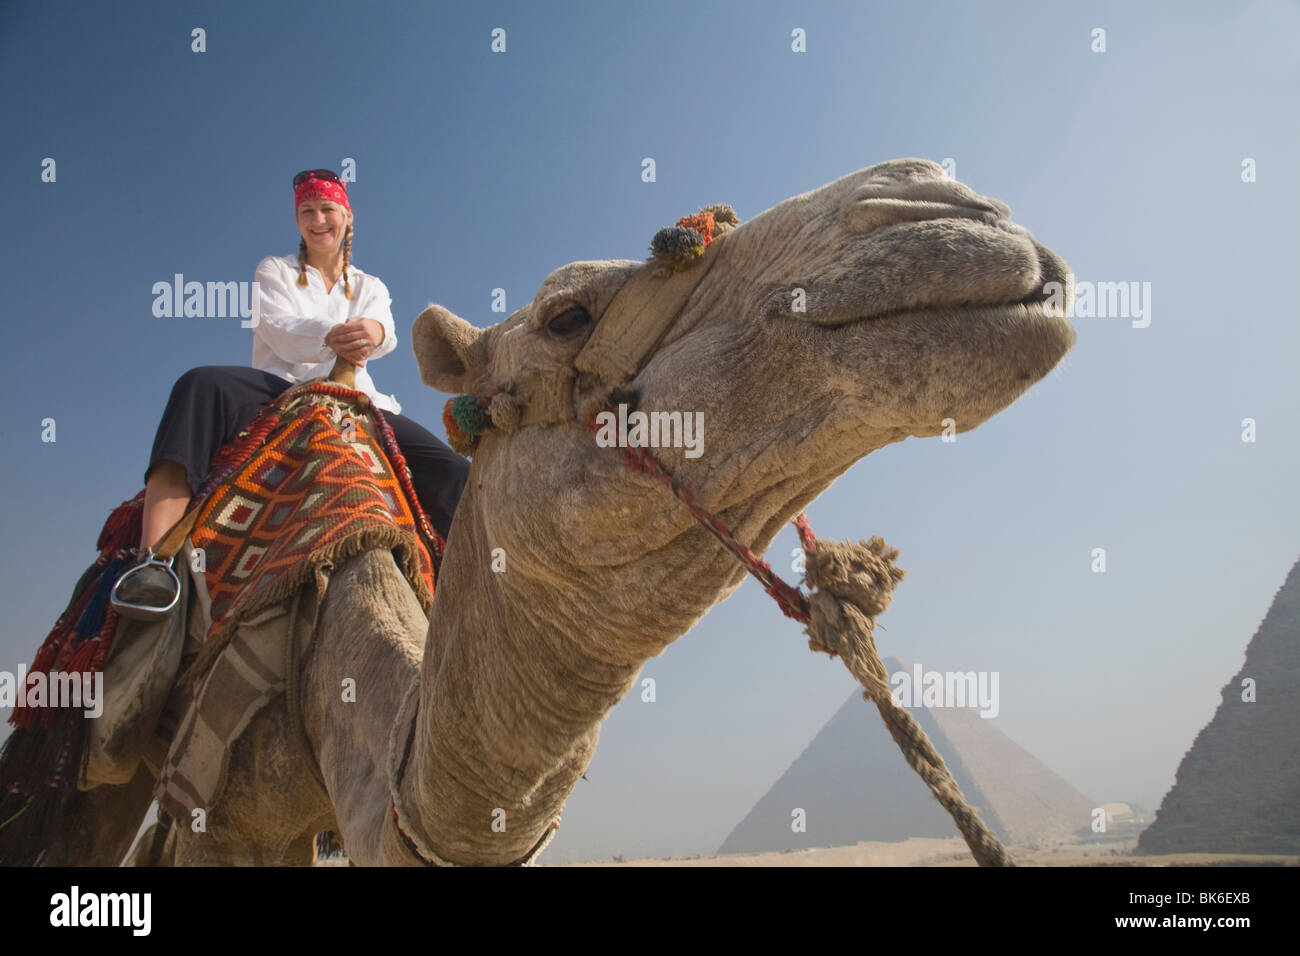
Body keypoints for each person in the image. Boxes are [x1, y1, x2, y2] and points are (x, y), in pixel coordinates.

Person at [114, 170, 469, 613]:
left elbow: (386, 330)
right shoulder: (275, 270)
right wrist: (334, 334)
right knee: (199, 385)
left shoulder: (370, 285)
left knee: (455, 471)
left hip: (357, 399)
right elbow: (278, 329)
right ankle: (154, 560)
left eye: (327, 209)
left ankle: (474, 596)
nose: (318, 219)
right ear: (298, 219)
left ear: (347, 215)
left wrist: (374, 331)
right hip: (280, 388)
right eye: (307, 211)